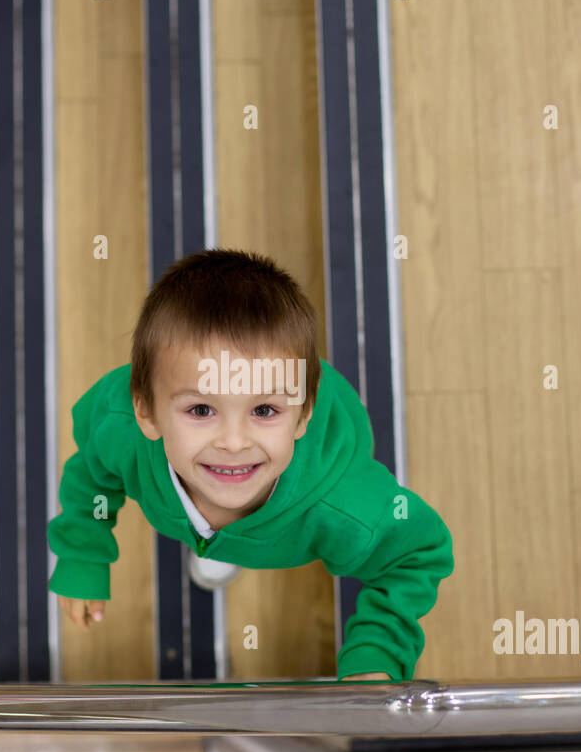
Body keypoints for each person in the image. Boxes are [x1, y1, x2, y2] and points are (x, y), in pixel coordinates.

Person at [47, 248, 454, 681]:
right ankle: (220, 537)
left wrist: (377, 655)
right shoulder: (119, 427)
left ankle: (224, 536)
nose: (234, 443)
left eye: (263, 411)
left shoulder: (347, 507)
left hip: (316, 473)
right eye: (201, 410)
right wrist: (83, 551)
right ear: (146, 414)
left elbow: (415, 554)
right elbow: (91, 476)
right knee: (223, 505)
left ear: (303, 415)